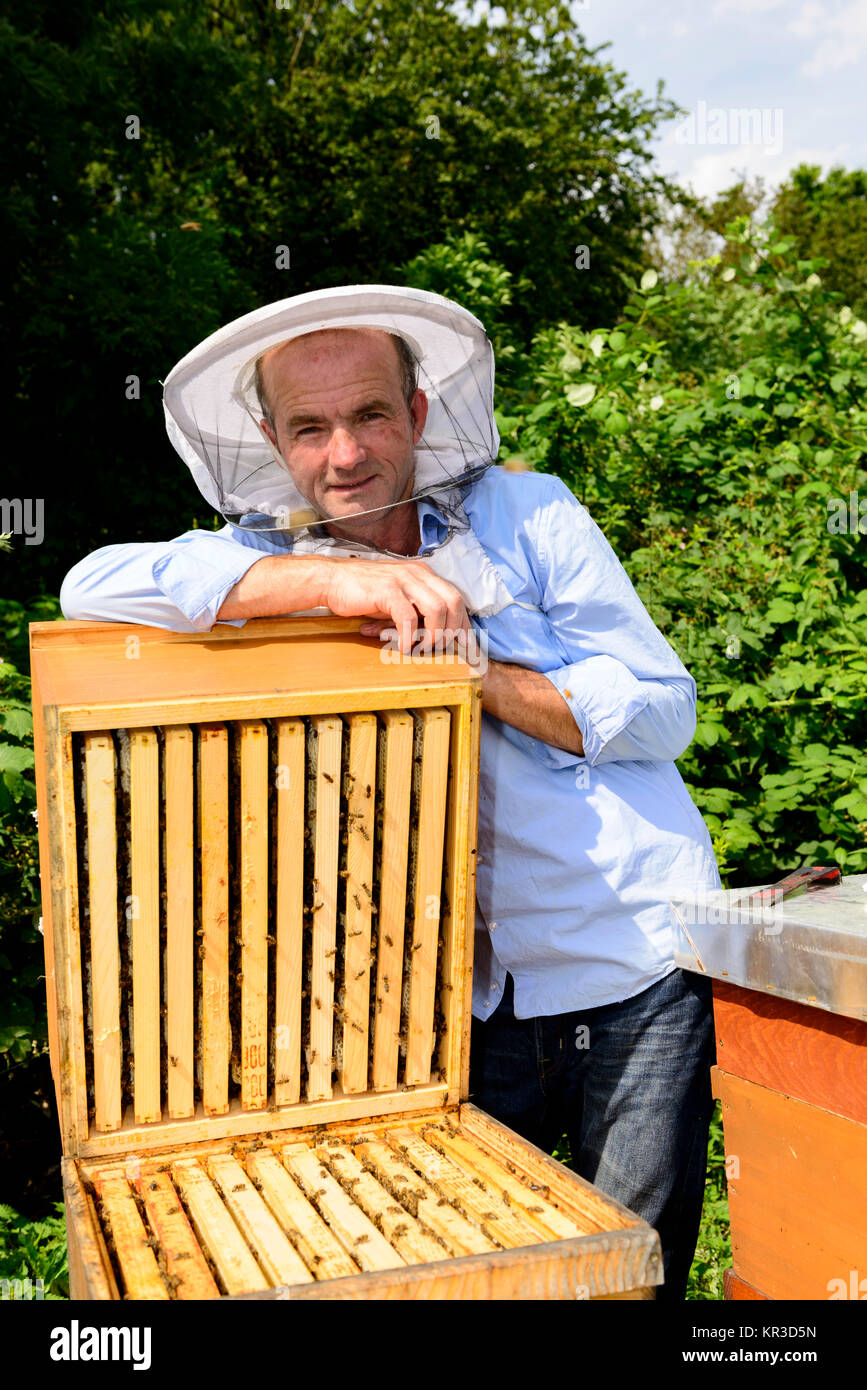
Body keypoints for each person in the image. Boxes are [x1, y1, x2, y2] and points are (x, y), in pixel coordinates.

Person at [61, 285, 719, 1300]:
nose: (345, 454)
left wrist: (482, 681)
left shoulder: (529, 514)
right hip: (453, 1003)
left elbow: (666, 708)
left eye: (370, 414)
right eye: (310, 427)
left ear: (416, 415)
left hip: (627, 957)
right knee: (467, 1271)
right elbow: (90, 587)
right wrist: (329, 586)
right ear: (275, 441)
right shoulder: (270, 552)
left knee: (630, 1273)